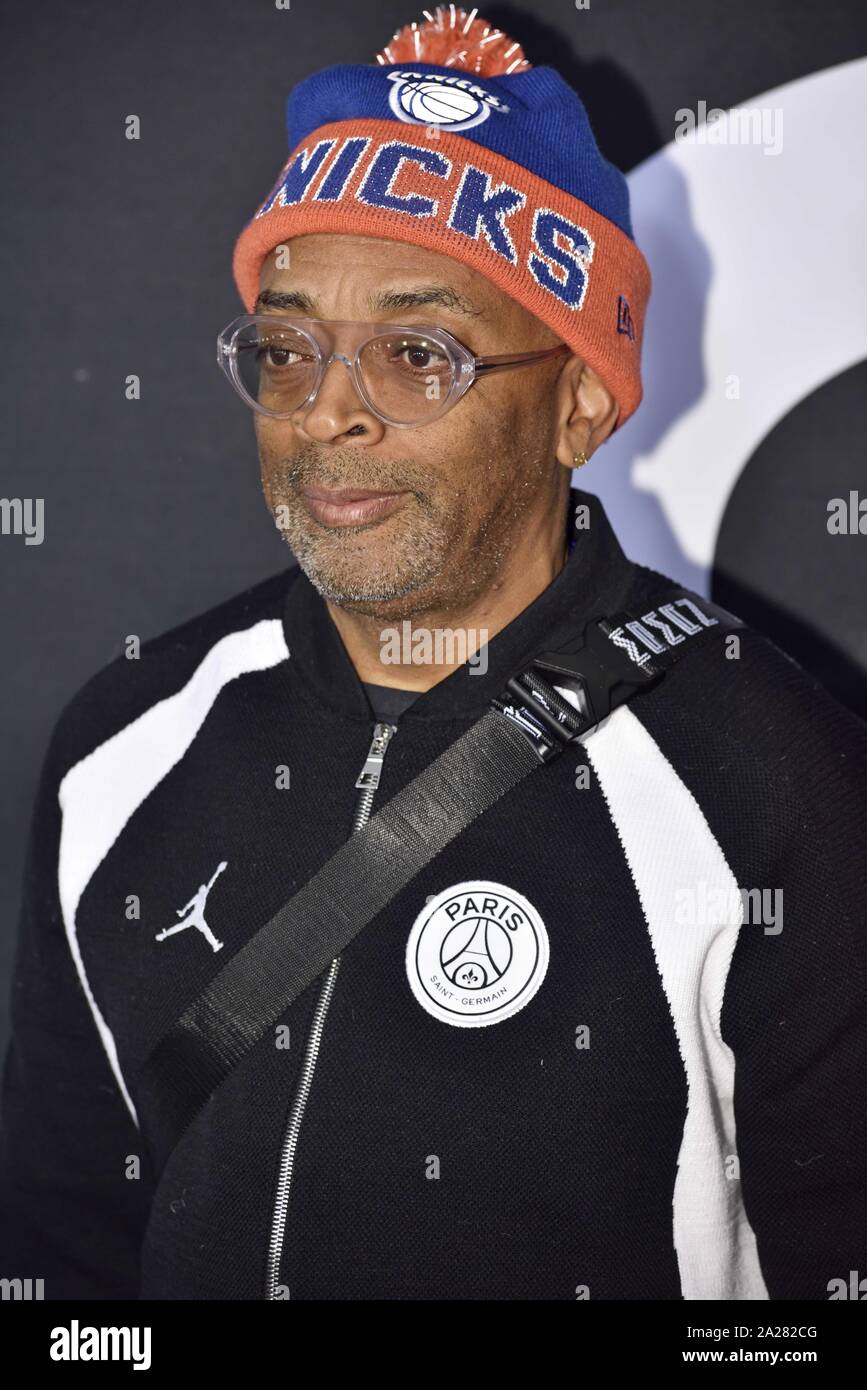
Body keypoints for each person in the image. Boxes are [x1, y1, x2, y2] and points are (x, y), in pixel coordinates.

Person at [1, 6, 864, 1302]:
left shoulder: (779, 786)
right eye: (286, 349)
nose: (329, 410)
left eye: (419, 354)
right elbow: (64, 1253)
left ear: (581, 400)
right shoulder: (125, 744)